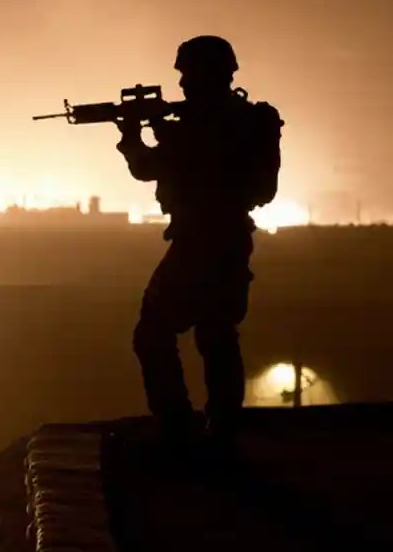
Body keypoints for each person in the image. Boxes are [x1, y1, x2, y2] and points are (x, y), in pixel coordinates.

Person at [115, 36, 282, 450]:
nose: (184, 83)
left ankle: (177, 425)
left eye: (189, 74)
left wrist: (133, 135)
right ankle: (220, 429)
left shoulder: (206, 127)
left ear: (210, 74)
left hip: (198, 242)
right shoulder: (245, 120)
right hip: (230, 241)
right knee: (217, 333)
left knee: (153, 332)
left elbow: (147, 168)